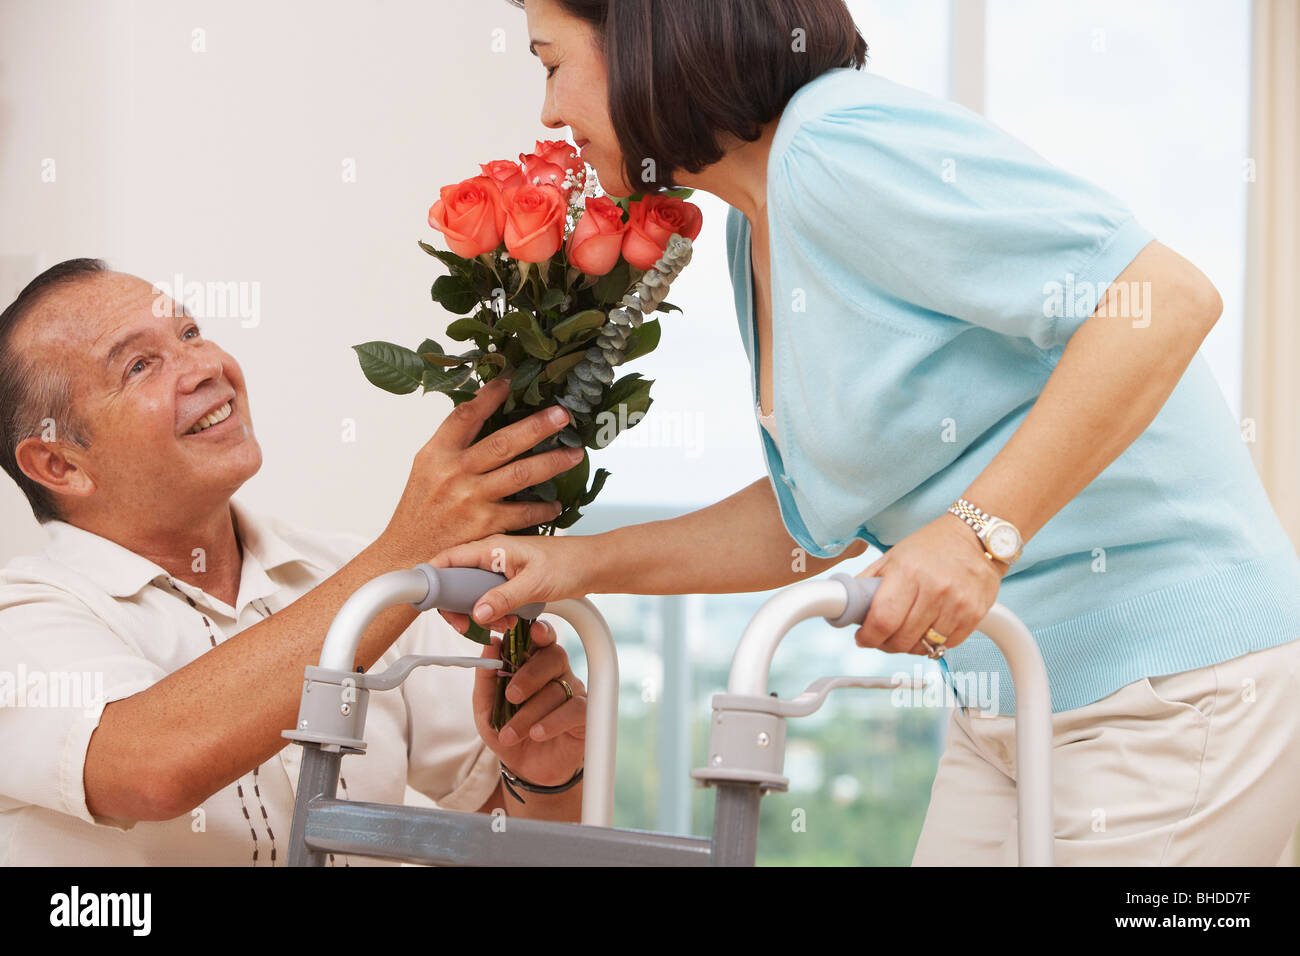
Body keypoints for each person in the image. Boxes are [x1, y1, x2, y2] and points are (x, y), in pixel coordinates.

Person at [440, 0, 1300, 865]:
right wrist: (579, 563)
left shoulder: (836, 144)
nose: (547, 112)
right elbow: (812, 525)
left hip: (1172, 693)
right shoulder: (757, 227)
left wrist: (975, 537)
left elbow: (1160, 302)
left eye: (551, 63)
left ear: (644, 39)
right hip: (1008, 700)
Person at [0, 259, 587, 865]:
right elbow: (152, 768)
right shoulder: (18, 622)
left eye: (190, 333)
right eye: (140, 365)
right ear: (60, 464)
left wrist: (544, 777)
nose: (205, 367)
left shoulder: (351, 571)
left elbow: (505, 829)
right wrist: (406, 550)